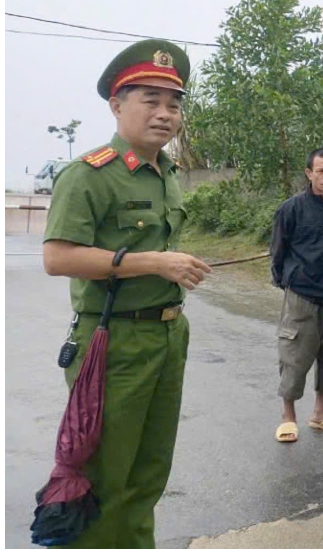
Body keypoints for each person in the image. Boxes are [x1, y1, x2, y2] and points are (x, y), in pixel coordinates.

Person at [42, 39, 213, 547]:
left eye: (174, 103)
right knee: (105, 476)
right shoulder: (88, 176)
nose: (165, 114)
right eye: (150, 101)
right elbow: (57, 257)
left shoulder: (167, 175)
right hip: (112, 344)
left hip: (166, 338)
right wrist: (153, 262)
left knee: (148, 474)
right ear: (117, 105)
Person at [269, 148, 323, 442]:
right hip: (301, 294)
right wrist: (292, 282)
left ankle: (320, 414)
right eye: (321, 171)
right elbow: (277, 254)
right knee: (294, 354)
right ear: (309, 174)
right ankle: (288, 417)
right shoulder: (290, 209)